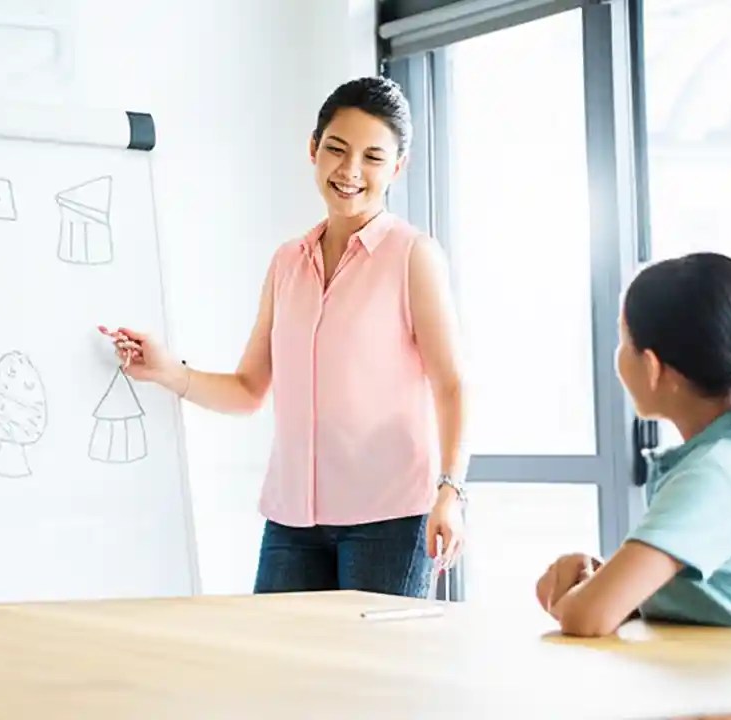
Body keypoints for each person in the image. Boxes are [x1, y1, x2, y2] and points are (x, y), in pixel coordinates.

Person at [100, 75, 469, 597]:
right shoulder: (287, 262)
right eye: (337, 149)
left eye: (372, 157)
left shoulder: (413, 256)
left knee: (373, 654)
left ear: (397, 167)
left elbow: (451, 384)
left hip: (390, 521)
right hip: (293, 521)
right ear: (313, 148)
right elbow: (249, 388)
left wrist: (451, 491)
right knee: (273, 651)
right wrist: (166, 371)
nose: (350, 171)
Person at [536, 252, 731, 637]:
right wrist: (602, 580)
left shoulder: (713, 474)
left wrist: (570, 599)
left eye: (623, 339)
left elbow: (588, 617)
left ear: (652, 366)